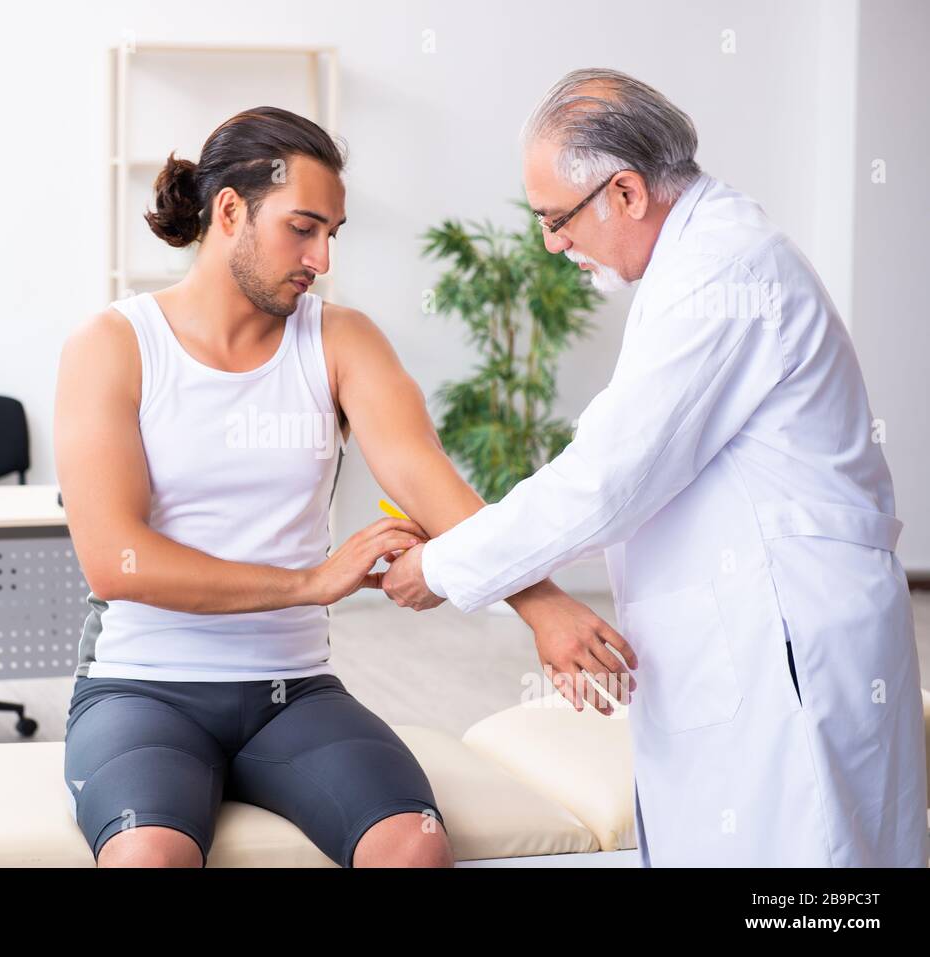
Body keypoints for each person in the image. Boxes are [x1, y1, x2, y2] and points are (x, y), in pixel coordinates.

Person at [53, 106, 632, 867]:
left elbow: (430, 484)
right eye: (303, 227)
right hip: (141, 691)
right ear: (230, 211)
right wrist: (310, 582)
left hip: (292, 695)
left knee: (414, 845)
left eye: (334, 232)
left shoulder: (340, 340)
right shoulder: (115, 346)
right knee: (149, 855)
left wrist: (543, 604)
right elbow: (117, 562)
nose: (322, 258)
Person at [384, 68, 928, 867]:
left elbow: (608, 481)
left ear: (628, 193)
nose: (552, 243)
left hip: (789, 649)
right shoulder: (693, 267)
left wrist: (441, 565)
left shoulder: (727, 272)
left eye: (556, 219)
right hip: (736, 644)